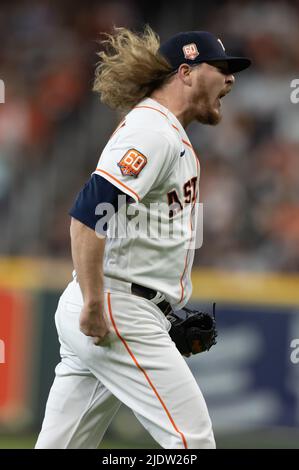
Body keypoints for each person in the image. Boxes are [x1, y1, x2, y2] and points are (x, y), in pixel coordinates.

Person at [35, 26, 250, 449]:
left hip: (120, 304)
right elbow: (86, 216)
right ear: (185, 72)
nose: (230, 79)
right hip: (116, 308)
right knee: (192, 441)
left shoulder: (167, 133)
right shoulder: (152, 130)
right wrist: (98, 303)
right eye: (220, 68)